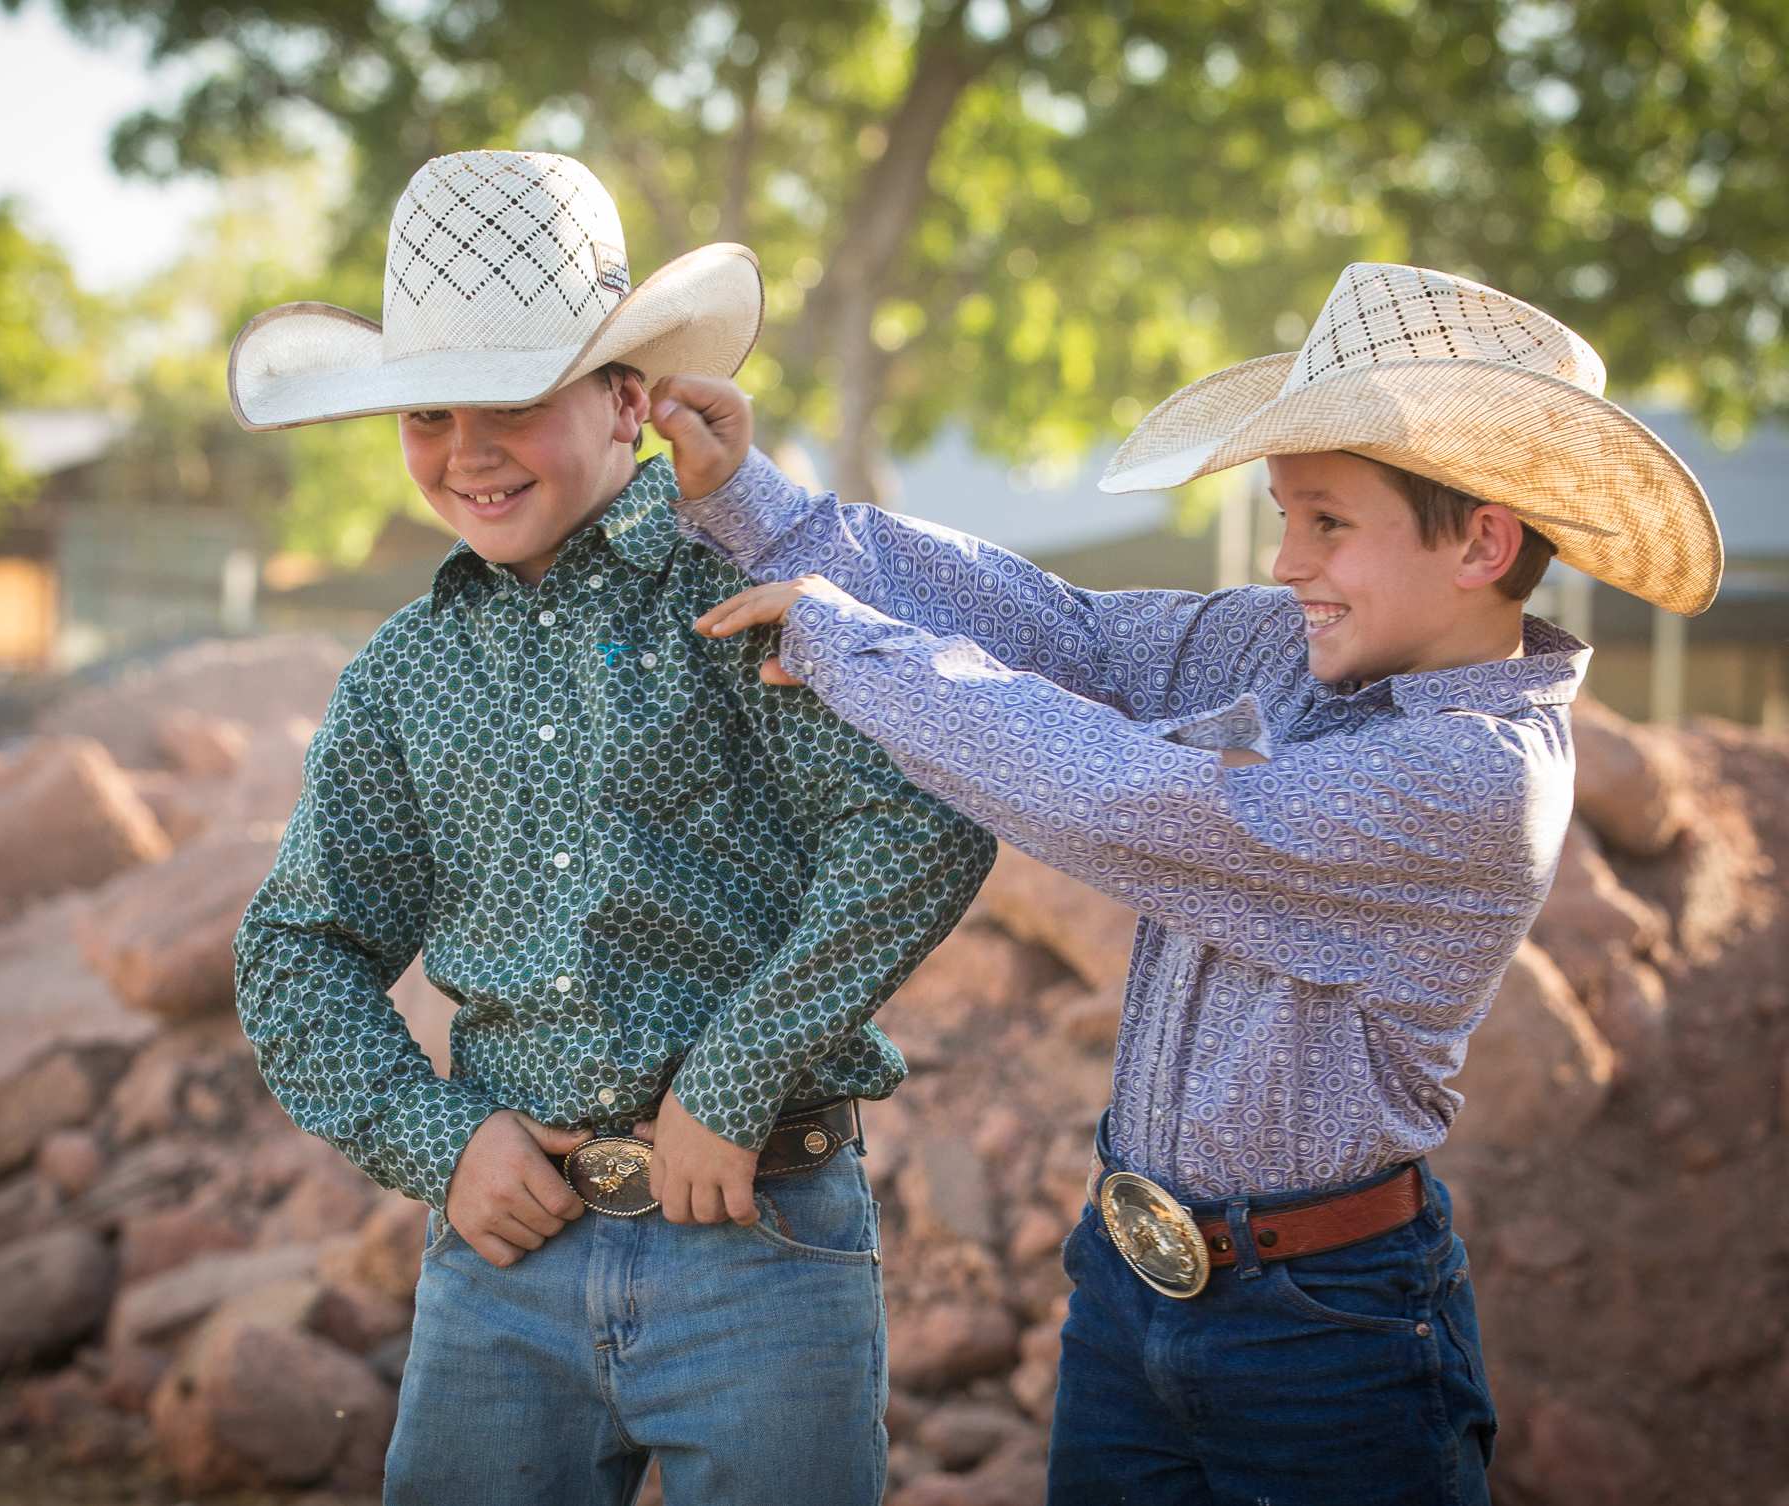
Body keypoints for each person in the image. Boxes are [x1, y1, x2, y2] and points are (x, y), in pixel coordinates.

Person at [646, 262, 1722, 1506]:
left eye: (1325, 522)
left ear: (1480, 540)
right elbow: (1068, 634)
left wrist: (848, 644)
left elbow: (1131, 803)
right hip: (1129, 1285)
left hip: (1325, 1335)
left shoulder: (1476, 779)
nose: (1283, 559)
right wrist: (756, 506)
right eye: (1284, 516)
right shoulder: (1291, 646)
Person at [227, 150, 995, 1506]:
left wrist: (730, 1077)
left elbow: (918, 825)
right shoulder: (404, 675)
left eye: (514, 401)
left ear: (626, 399)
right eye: (426, 413)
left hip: (761, 1236)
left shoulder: (742, 596)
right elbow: (299, 949)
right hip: (509, 1266)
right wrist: (440, 1137)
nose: (466, 449)